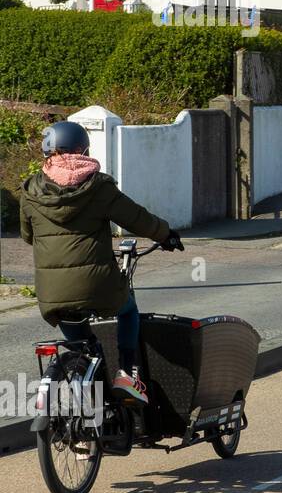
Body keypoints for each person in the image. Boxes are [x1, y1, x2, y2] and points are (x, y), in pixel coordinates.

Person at [20, 120, 181, 406]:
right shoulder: (98, 186)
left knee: (80, 344)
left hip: (51, 293)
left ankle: (89, 422)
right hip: (99, 285)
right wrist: (166, 234)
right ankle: (126, 373)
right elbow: (137, 219)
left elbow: (27, 235)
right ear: (83, 149)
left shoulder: (31, 190)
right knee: (128, 310)